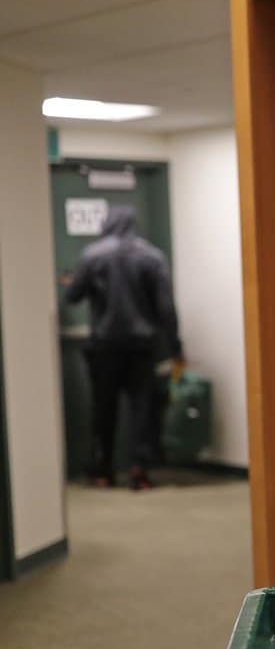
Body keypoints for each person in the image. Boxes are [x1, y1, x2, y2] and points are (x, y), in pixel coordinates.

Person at [64, 204, 183, 490]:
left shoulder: (93, 255)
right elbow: (166, 307)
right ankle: (139, 470)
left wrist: (76, 283)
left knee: (104, 408)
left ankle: (103, 470)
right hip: (143, 347)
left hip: (104, 347)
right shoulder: (152, 257)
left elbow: (73, 296)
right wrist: (176, 346)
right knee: (143, 409)